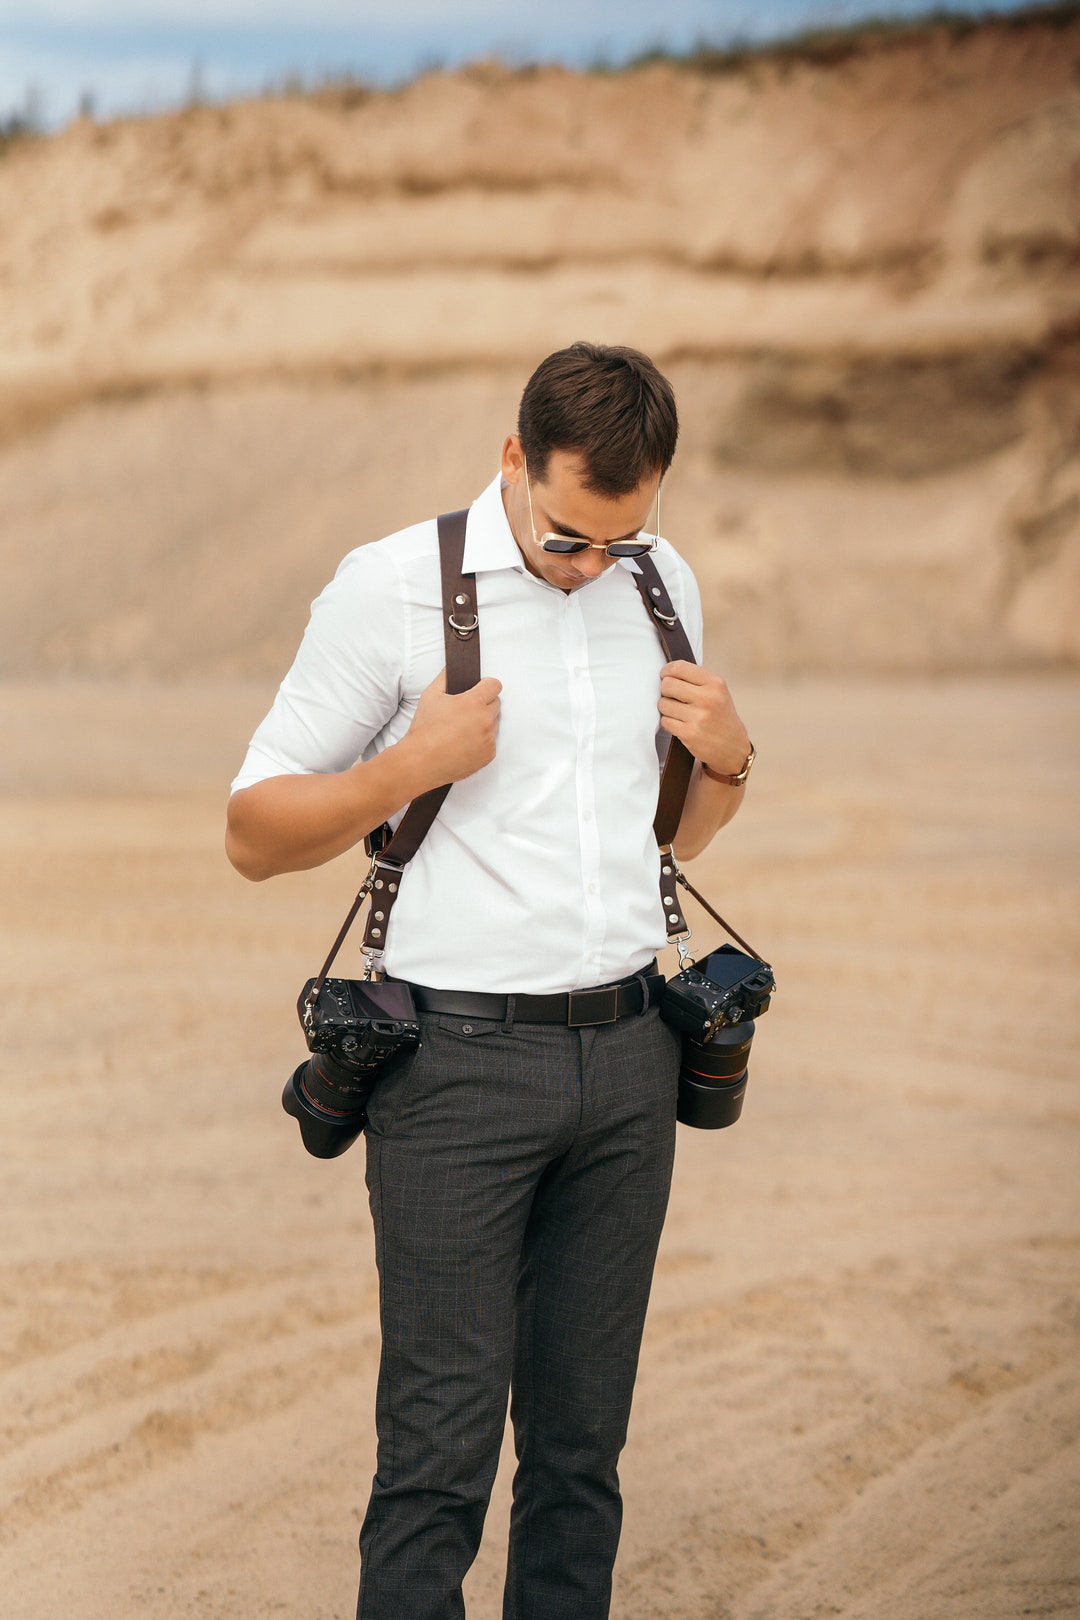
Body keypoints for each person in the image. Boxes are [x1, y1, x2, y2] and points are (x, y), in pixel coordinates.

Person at [226, 342, 754, 1620]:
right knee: (436, 1466)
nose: (594, 566)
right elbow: (254, 833)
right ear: (512, 459)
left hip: (632, 1061)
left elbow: (663, 840)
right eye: (569, 536)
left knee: (582, 1459)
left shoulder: (659, 578)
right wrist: (409, 765)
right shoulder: (393, 588)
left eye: (623, 541)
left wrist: (730, 762)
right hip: (455, 1075)